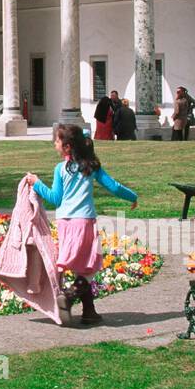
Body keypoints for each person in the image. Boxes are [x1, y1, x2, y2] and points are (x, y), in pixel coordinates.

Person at [22, 122, 138, 326]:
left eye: (57, 141)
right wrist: (132, 196)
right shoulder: (90, 167)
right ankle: (68, 295)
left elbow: (55, 198)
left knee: (81, 268)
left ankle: (89, 312)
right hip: (84, 222)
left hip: (65, 223)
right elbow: (113, 186)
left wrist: (36, 182)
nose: (55, 145)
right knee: (89, 267)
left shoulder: (60, 169)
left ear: (68, 147)